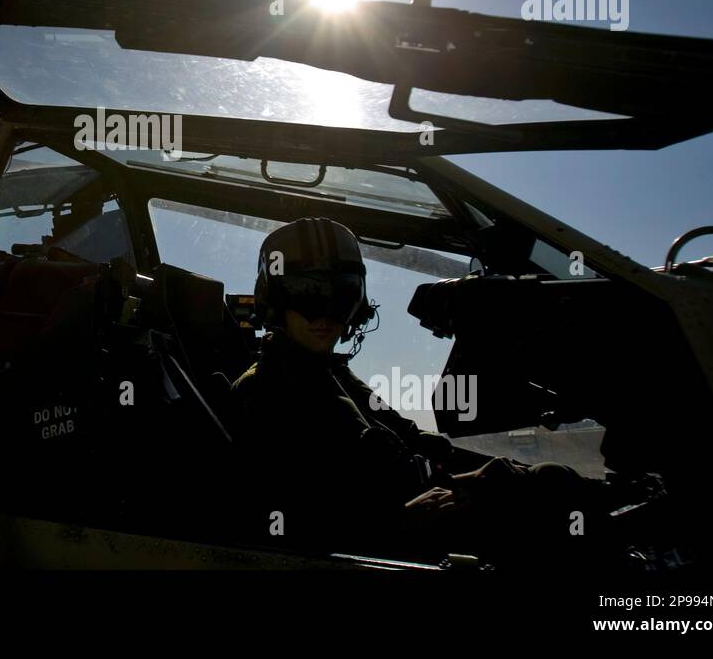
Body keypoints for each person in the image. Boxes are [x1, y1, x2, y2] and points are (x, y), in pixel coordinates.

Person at [229, 217, 597, 562]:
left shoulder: (332, 374)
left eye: (342, 295)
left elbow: (411, 438)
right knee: (553, 492)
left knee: (547, 481)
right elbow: (269, 526)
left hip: (416, 512)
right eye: (308, 295)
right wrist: (398, 523)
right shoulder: (262, 392)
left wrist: (482, 474)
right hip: (387, 548)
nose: (326, 315)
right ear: (275, 299)